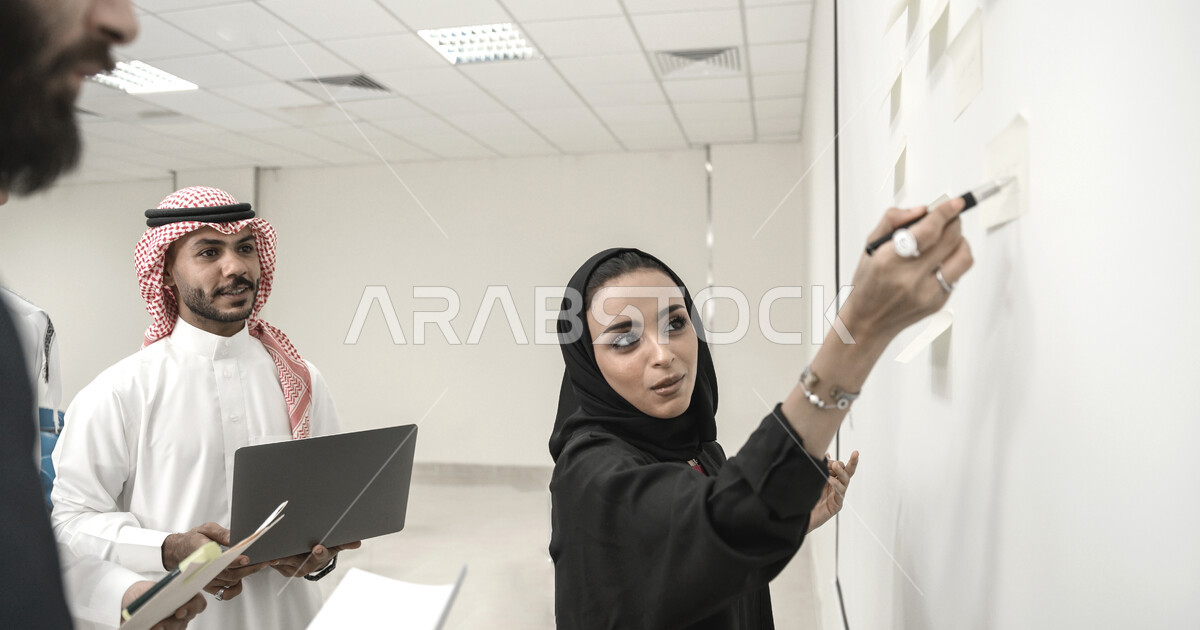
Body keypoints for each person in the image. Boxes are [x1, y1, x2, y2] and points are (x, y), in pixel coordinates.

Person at [549, 201, 973, 629]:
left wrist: (786, 519)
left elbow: (706, 555)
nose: (663, 354)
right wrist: (861, 328)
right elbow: (709, 524)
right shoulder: (590, 476)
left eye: (675, 323)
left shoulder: (700, 451)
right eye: (624, 341)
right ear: (588, 364)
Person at [50, 186, 360, 629]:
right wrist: (168, 548)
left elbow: (326, 506)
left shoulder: (301, 378)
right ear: (165, 273)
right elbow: (70, 524)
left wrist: (318, 557)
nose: (234, 267)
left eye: (245, 249)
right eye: (209, 252)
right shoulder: (119, 391)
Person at [1, 0, 206, 627]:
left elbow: (25, 535)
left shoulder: (21, 329)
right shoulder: (119, 385)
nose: (124, 23)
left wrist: (121, 593)